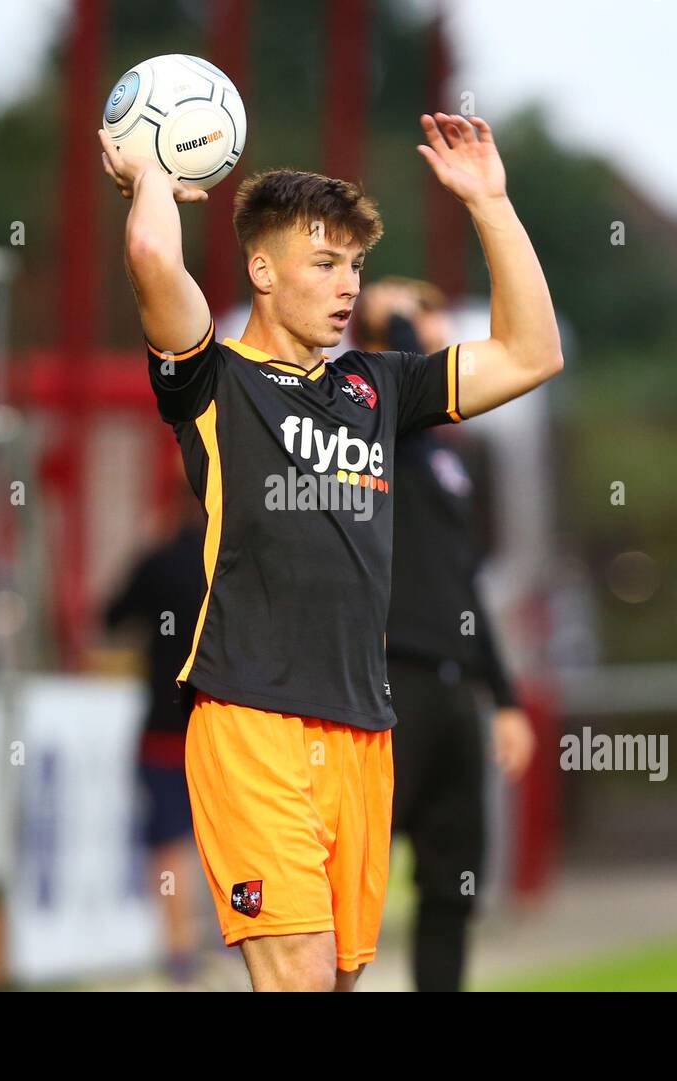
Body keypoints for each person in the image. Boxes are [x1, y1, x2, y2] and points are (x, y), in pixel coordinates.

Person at [97, 110, 562, 990]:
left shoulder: (379, 387)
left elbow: (532, 353)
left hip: (363, 729)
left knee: (335, 981)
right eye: (325, 263)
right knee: (302, 975)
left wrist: (491, 204)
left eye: (355, 264)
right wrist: (153, 176)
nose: (349, 284)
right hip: (252, 717)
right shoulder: (215, 378)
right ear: (263, 271)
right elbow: (156, 262)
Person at [356, 277, 537, 991]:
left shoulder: (446, 454)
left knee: (452, 880)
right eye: (419, 315)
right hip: (390, 678)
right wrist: (392, 319)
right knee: (354, 878)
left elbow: (466, 582)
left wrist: (505, 696)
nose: (433, 325)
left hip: (456, 685)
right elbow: (403, 381)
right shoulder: (367, 414)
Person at [103, 488, 205, 986]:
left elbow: (110, 619)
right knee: (226, 836)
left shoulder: (159, 560)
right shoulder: (235, 565)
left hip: (166, 724)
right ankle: (241, 934)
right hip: (227, 724)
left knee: (169, 841)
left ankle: (179, 948)